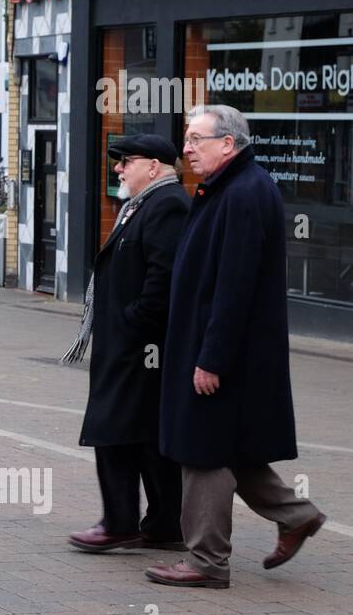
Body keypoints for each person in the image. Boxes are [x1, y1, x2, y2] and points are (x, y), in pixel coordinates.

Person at [148, 105, 325, 589]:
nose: (186, 148)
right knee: (233, 447)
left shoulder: (245, 193)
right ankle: (296, 515)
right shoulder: (228, 188)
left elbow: (235, 285)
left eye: (196, 139)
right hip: (220, 349)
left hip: (225, 353)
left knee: (203, 448)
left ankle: (206, 561)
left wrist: (212, 358)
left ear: (228, 144)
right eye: (186, 139)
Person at [62, 135, 189, 554]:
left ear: (153, 166)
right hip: (134, 344)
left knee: (112, 428)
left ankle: (119, 523)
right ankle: (166, 524)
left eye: (126, 161)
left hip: (140, 346)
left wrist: (131, 324)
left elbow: (163, 278)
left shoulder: (167, 204)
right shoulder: (144, 203)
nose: (118, 169)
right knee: (144, 435)